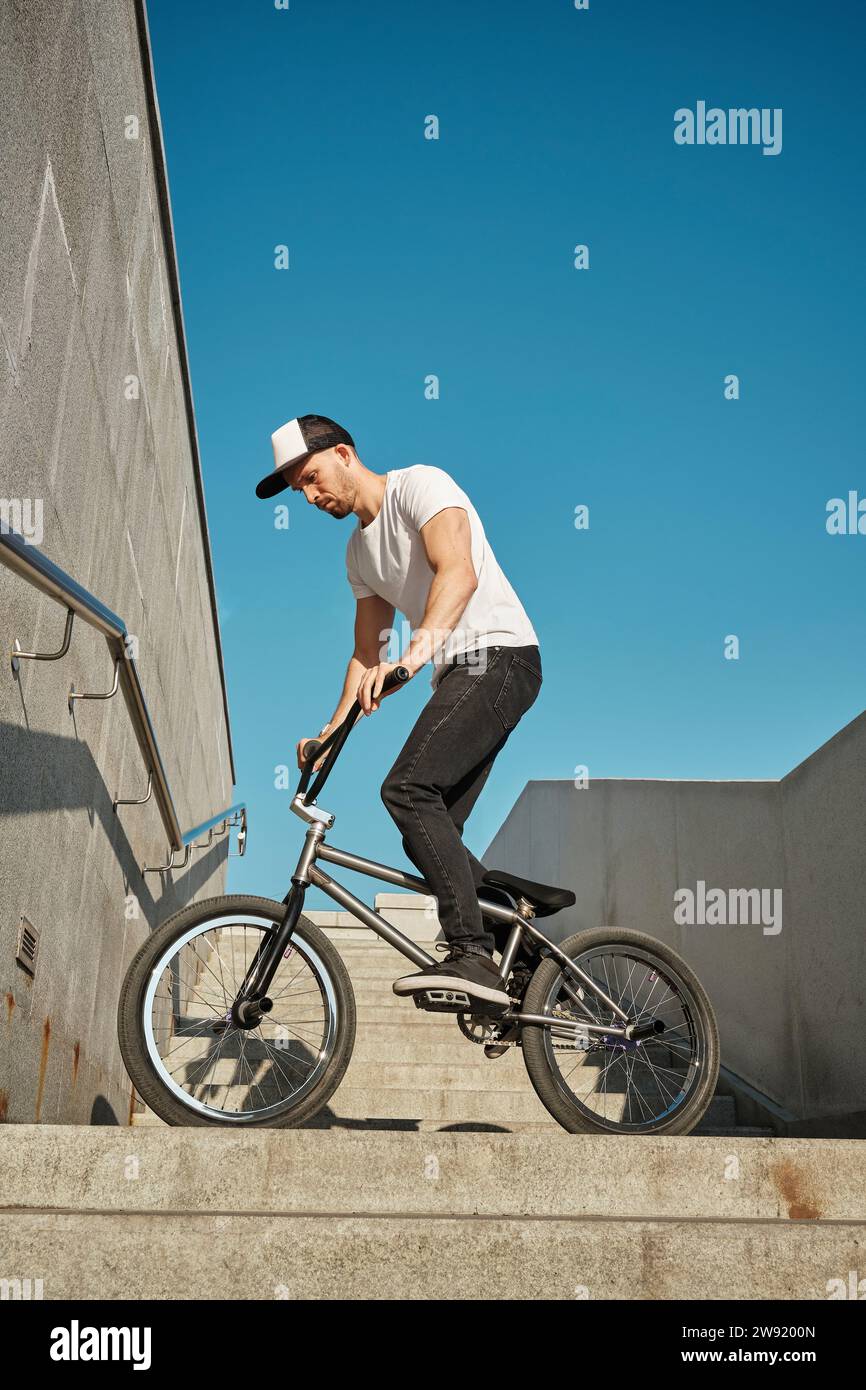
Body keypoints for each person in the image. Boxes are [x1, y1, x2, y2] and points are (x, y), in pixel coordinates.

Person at [255, 414, 542, 1010]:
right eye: (300, 492)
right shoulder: (359, 554)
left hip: (499, 657)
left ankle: (472, 954)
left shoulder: (421, 486)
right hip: (459, 672)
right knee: (430, 835)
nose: (310, 497)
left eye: (311, 479)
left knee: (407, 790)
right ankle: (524, 946)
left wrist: (410, 661)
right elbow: (365, 653)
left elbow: (457, 572)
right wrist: (328, 734)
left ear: (343, 453)